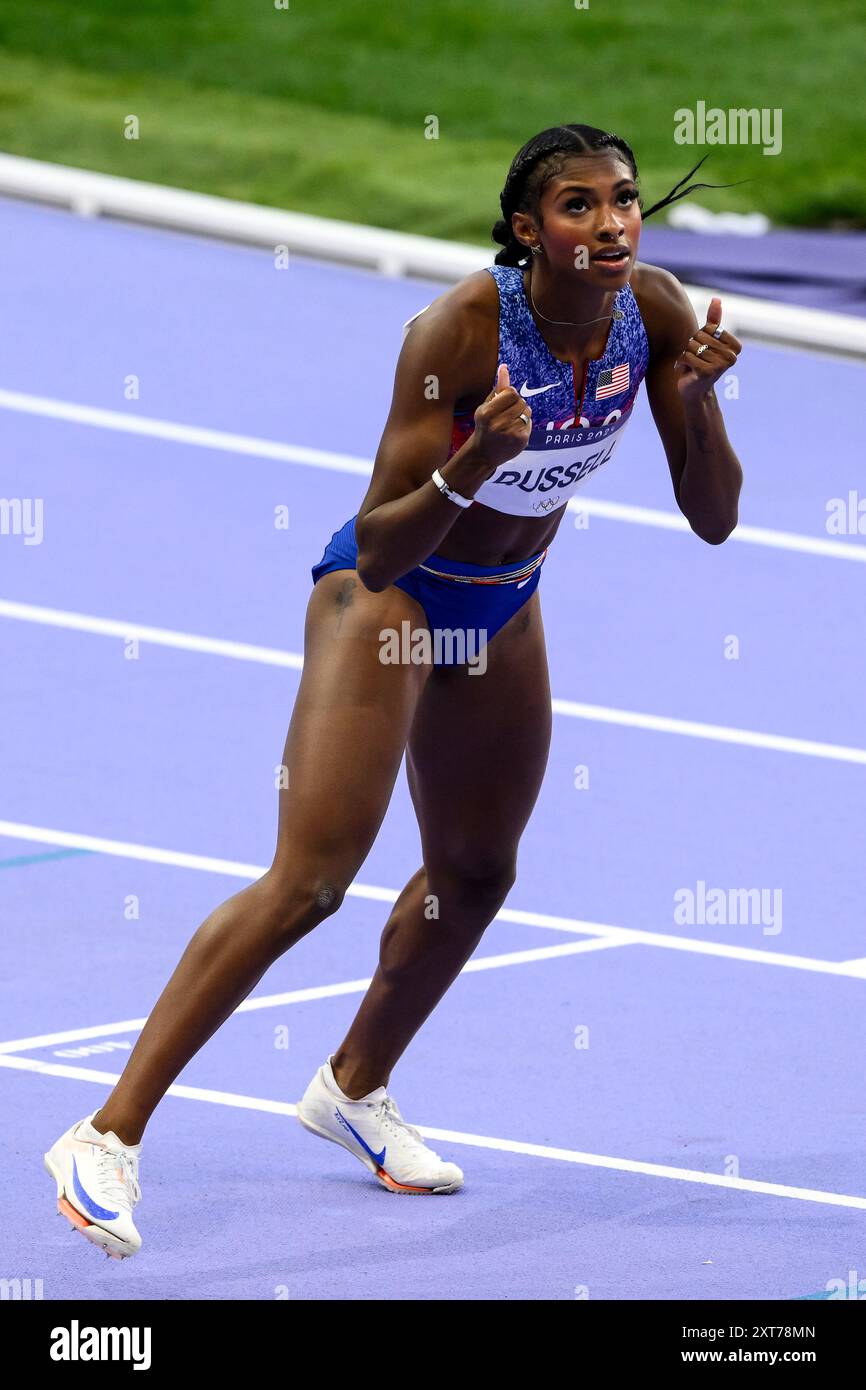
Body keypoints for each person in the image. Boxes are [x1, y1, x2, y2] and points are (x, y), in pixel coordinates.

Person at [44, 123, 743, 1257]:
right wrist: (464, 469)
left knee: (475, 871)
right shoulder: (460, 328)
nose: (610, 223)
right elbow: (374, 544)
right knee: (310, 882)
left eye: (622, 201)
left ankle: (352, 1087)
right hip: (391, 600)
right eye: (578, 206)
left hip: (505, 600)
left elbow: (712, 520)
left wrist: (697, 400)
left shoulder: (652, 314)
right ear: (529, 230)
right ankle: (104, 1134)